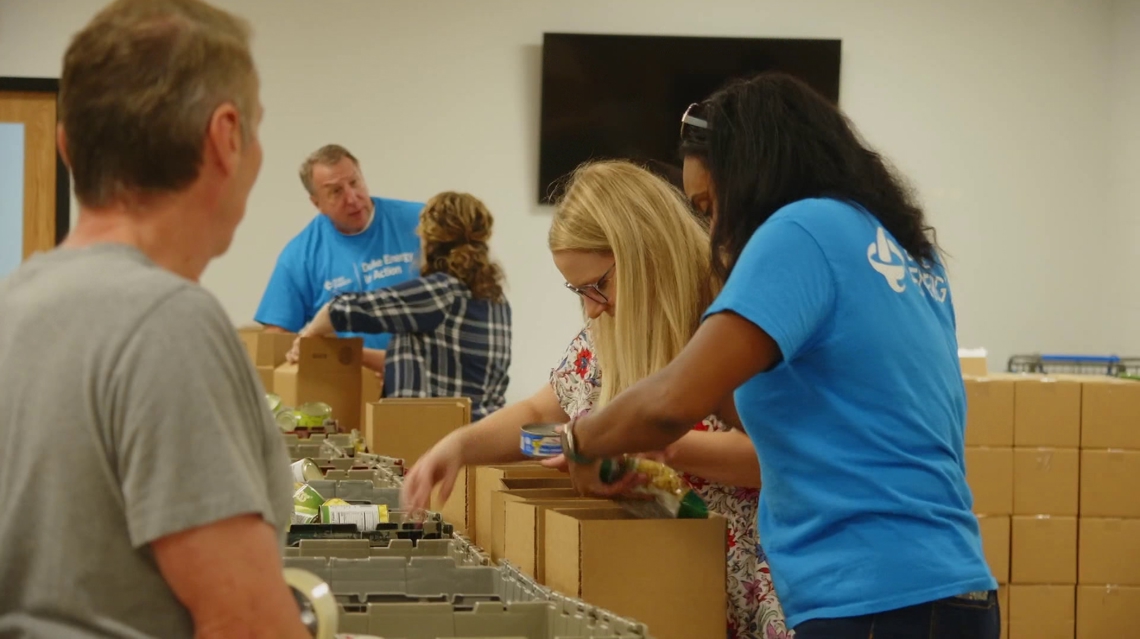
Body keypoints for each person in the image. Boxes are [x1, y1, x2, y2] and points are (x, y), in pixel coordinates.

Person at [558, 73, 999, 639]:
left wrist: (584, 440)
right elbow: (814, 419)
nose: (713, 231)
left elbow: (671, 401)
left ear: (755, 176)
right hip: (951, 588)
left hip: (869, 596)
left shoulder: (802, 229)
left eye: (711, 206)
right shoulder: (900, 248)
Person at [0, 0, 308, 637]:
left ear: (66, 146)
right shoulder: (167, 325)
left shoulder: (14, 306)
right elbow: (246, 625)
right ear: (227, 137)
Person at [401, 161, 788, 639]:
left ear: (644, 253)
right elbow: (543, 415)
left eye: (598, 285)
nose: (591, 307)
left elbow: (772, 457)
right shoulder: (608, 329)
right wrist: (459, 446)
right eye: (577, 291)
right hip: (665, 577)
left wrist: (649, 442)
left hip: (747, 583)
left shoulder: (730, 321)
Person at [290, 192, 512, 419]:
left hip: (436, 436)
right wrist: (348, 352)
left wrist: (308, 337)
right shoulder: (496, 301)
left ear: (429, 239)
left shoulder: (440, 292)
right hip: (480, 435)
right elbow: (434, 361)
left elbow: (340, 309)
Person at [255, 144, 423, 375]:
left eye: (354, 183)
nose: (352, 199)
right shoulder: (299, 256)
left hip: (428, 378)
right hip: (352, 384)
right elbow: (275, 338)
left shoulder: (420, 223)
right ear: (317, 204)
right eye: (336, 191)